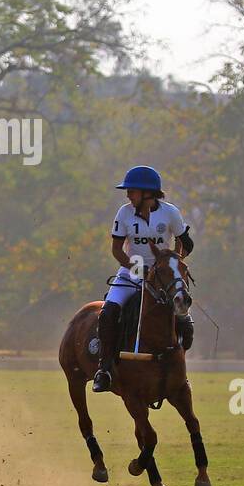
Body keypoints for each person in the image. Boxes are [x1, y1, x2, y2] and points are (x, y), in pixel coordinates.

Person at [92, 165, 195, 393]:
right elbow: (117, 250)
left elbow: (185, 242)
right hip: (131, 273)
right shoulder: (124, 213)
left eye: (132, 191)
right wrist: (135, 267)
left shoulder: (170, 213)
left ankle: (178, 372)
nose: (128, 195)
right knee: (108, 313)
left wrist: (173, 261)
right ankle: (104, 369)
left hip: (162, 278)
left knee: (185, 324)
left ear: (148, 193)